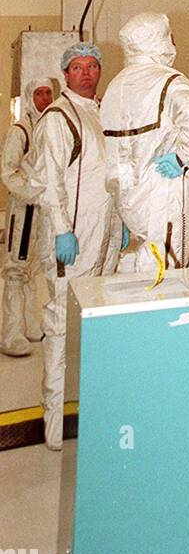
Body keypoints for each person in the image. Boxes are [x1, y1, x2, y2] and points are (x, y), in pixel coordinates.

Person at [30, 43, 122, 450]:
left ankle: (92, 415)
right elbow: (50, 182)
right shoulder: (58, 118)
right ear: (64, 75)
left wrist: (119, 224)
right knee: (60, 327)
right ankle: (53, 425)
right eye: (77, 67)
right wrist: (62, 229)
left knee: (97, 328)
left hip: (104, 240)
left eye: (92, 66)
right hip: (72, 243)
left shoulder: (102, 112)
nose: (85, 73)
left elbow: (111, 175)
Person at [101, 12, 189, 274]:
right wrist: (182, 156)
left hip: (129, 197)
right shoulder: (169, 80)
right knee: (167, 268)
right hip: (164, 193)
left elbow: (115, 153)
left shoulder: (115, 87)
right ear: (160, 40)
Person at [0, 77, 54, 357]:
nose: (44, 98)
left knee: (33, 267)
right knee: (15, 270)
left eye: (48, 93)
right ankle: (10, 334)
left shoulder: (51, 126)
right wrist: (29, 192)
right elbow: (8, 171)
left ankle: (31, 325)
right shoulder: (21, 130)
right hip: (23, 210)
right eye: (39, 94)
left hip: (42, 208)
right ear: (29, 97)